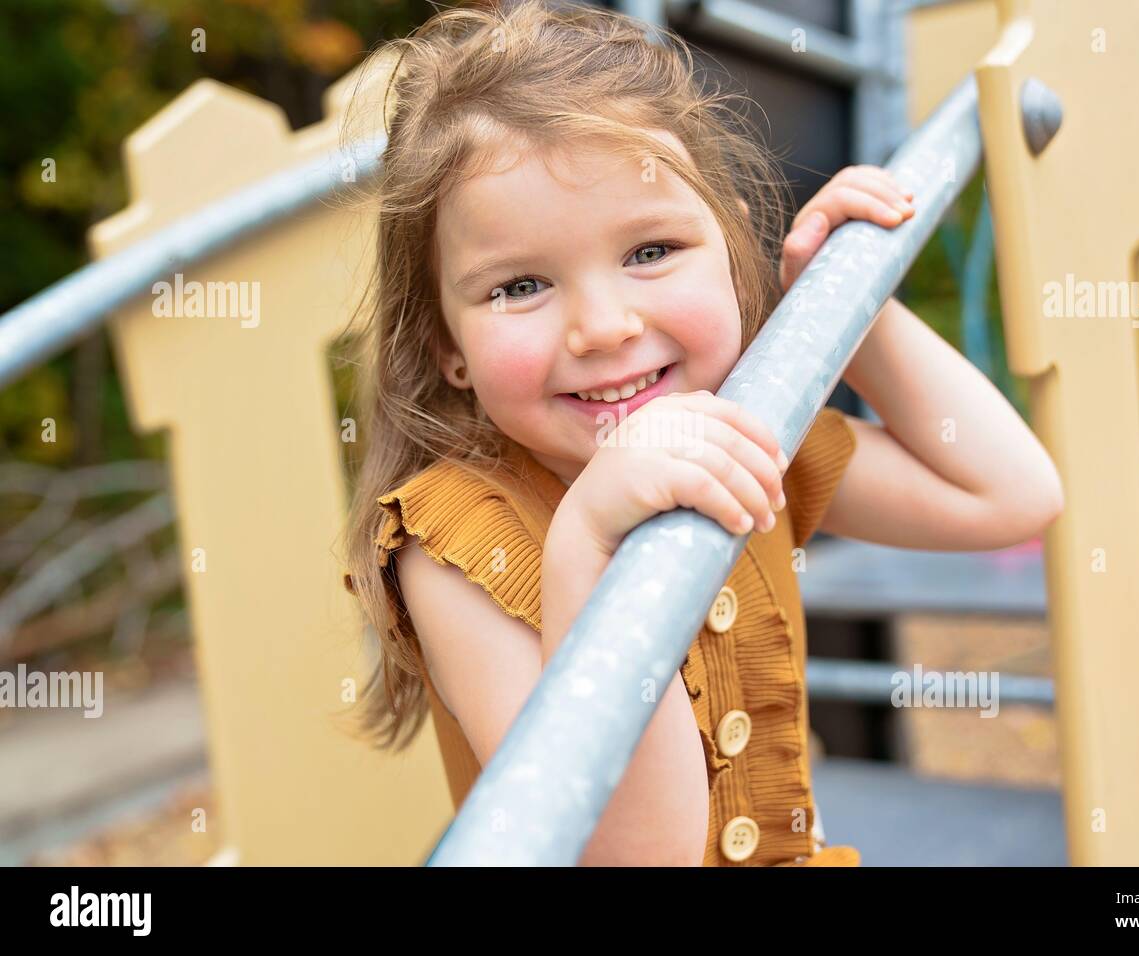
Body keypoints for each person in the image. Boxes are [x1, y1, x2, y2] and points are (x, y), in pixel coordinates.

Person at [341, 0, 1064, 866]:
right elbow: (637, 855)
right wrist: (590, 536)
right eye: (519, 286)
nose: (603, 327)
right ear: (449, 349)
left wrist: (845, 308)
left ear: (731, 254)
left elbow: (1011, 495)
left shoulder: (749, 431)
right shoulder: (450, 539)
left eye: (650, 252)